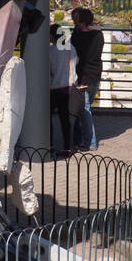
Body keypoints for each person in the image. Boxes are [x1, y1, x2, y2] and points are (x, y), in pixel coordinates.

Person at [69, 8, 103, 152]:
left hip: (83, 75)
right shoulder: (98, 35)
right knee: (85, 107)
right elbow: (96, 29)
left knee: (83, 109)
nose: (74, 22)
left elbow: (71, 48)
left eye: (76, 19)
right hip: (95, 74)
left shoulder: (77, 36)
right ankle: (84, 139)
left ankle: (90, 141)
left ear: (81, 22)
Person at [48, 24, 74, 154]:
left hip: (55, 88)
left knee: (47, 117)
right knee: (65, 119)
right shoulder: (71, 48)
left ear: (53, 35)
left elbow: (49, 70)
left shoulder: (51, 51)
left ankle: (50, 145)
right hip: (69, 87)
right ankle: (67, 147)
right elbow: (76, 63)